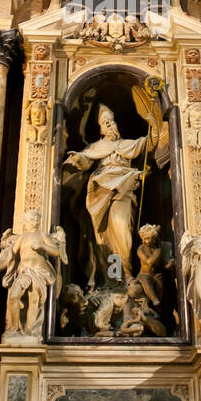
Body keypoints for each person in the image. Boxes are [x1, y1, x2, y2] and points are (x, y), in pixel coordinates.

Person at [64, 104, 151, 284]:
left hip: (124, 189)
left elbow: (150, 142)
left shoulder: (128, 145)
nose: (110, 125)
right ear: (101, 129)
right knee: (103, 236)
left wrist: (154, 122)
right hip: (101, 192)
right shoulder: (96, 147)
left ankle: (125, 273)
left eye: (111, 121)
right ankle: (113, 277)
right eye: (105, 123)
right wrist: (78, 158)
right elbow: (85, 160)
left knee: (120, 227)